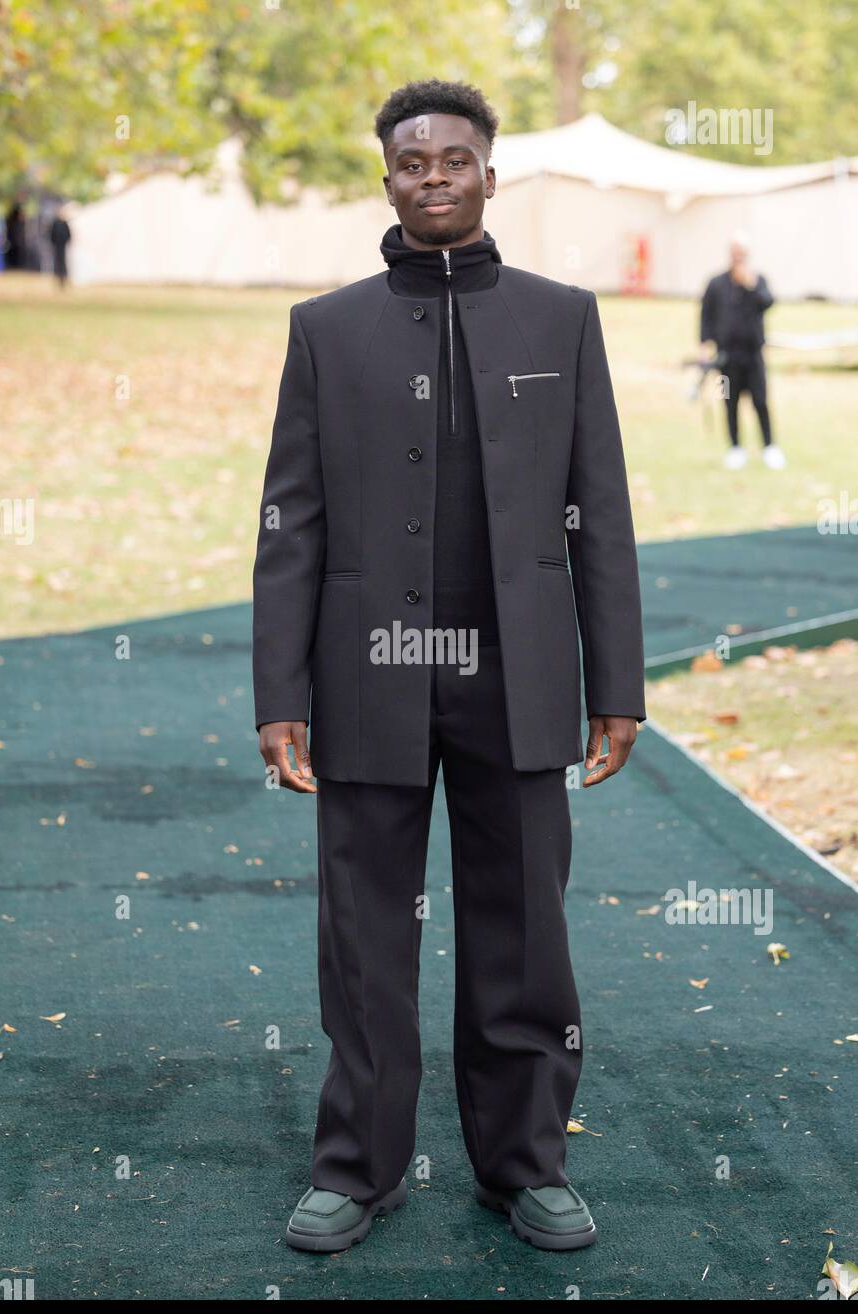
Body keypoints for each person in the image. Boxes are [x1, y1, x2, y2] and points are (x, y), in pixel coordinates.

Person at [252, 79, 646, 1254]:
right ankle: (356, 1165)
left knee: (523, 928)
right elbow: (292, 522)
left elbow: (603, 514)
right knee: (364, 933)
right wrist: (282, 694)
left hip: (518, 674)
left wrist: (614, 683)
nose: (435, 177)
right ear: (388, 180)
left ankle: (524, 1164)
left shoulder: (562, 317)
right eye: (413, 162)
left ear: (489, 171)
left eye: (455, 158)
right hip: (367, 671)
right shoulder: (326, 329)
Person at [700, 235, 786, 470]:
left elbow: (768, 302)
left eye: (742, 252)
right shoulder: (716, 283)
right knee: (729, 401)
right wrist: (705, 345)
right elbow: (706, 315)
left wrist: (751, 284)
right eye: (735, 251)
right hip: (727, 358)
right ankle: (735, 448)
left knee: (760, 401)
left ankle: (769, 447)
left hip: (753, 356)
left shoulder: (758, 280)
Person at [48, 207, 72, 288]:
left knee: (62, 263)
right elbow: (52, 234)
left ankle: (63, 277)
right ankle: (58, 277)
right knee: (57, 263)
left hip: (63, 246)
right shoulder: (55, 223)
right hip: (57, 246)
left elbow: (68, 235)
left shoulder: (64, 223)